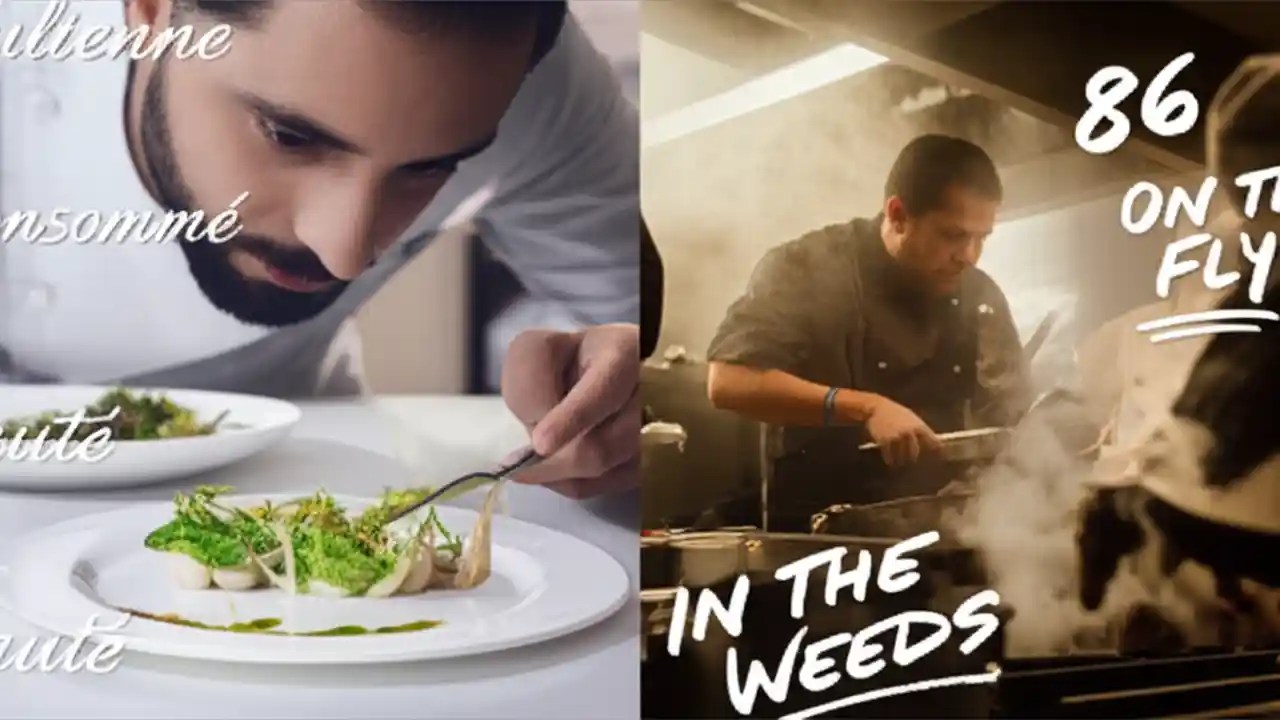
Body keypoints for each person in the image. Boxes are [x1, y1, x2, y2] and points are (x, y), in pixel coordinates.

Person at [0, 0, 640, 500]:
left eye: (430, 168)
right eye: (290, 136)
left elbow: (637, 330)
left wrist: (616, 393)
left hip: (301, 472)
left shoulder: (535, 87)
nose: (345, 254)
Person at [705, 134, 1030, 529]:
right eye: (953, 235)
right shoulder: (809, 267)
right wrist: (867, 407)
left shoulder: (980, 295)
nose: (970, 256)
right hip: (815, 546)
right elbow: (727, 381)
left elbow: (1014, 421)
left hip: (936, 539)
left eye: (982, 238)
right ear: (897, 214)